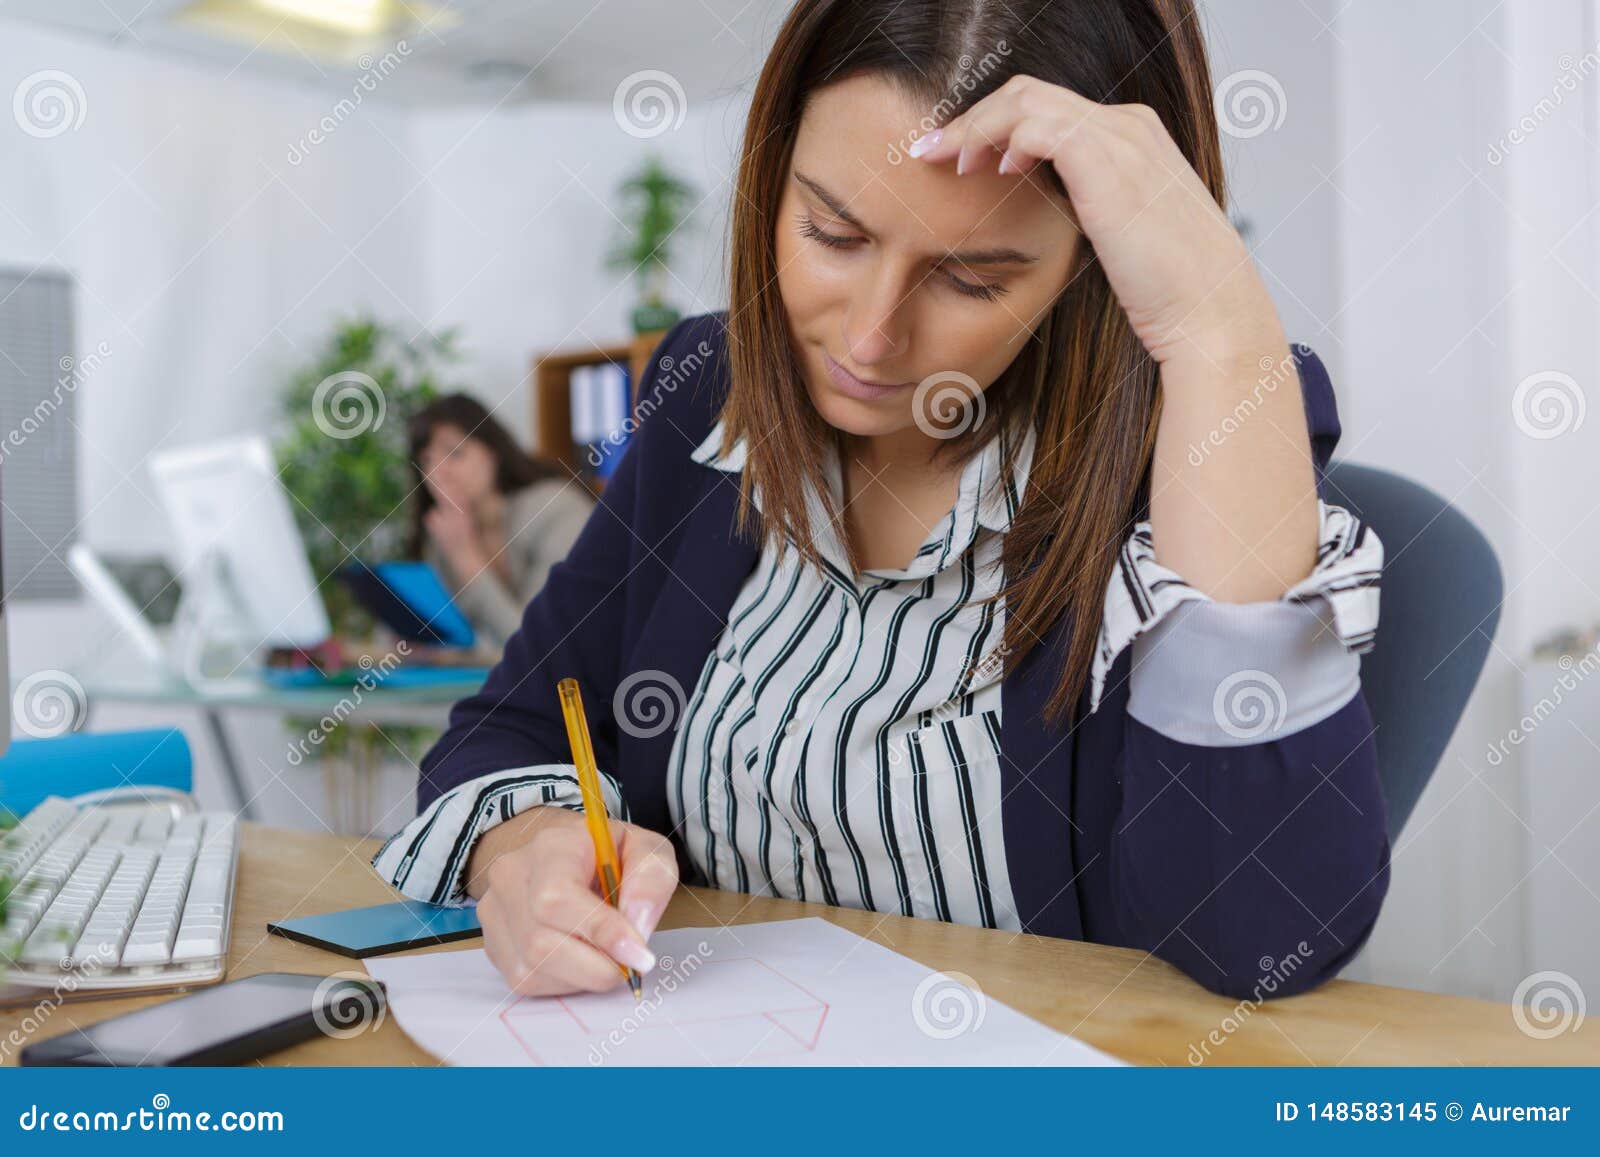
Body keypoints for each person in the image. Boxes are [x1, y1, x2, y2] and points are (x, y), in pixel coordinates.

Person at [374, 0, 1389, 1003]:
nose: (868, 340)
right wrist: (524, 842)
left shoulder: (1206, 431)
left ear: (1086, 267)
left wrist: (1219, 331)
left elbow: (1258, 933)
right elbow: (505, 728)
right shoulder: (704, 390)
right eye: (832, 232)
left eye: (970, 279)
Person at [407, 394, 594, 652]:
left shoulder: (558, 510)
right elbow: (445, 640)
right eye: (427, 460)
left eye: (455, 453)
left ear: (492, 452)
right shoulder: (444, 533)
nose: (438, 473)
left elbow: (538, 649)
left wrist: (466, 559)